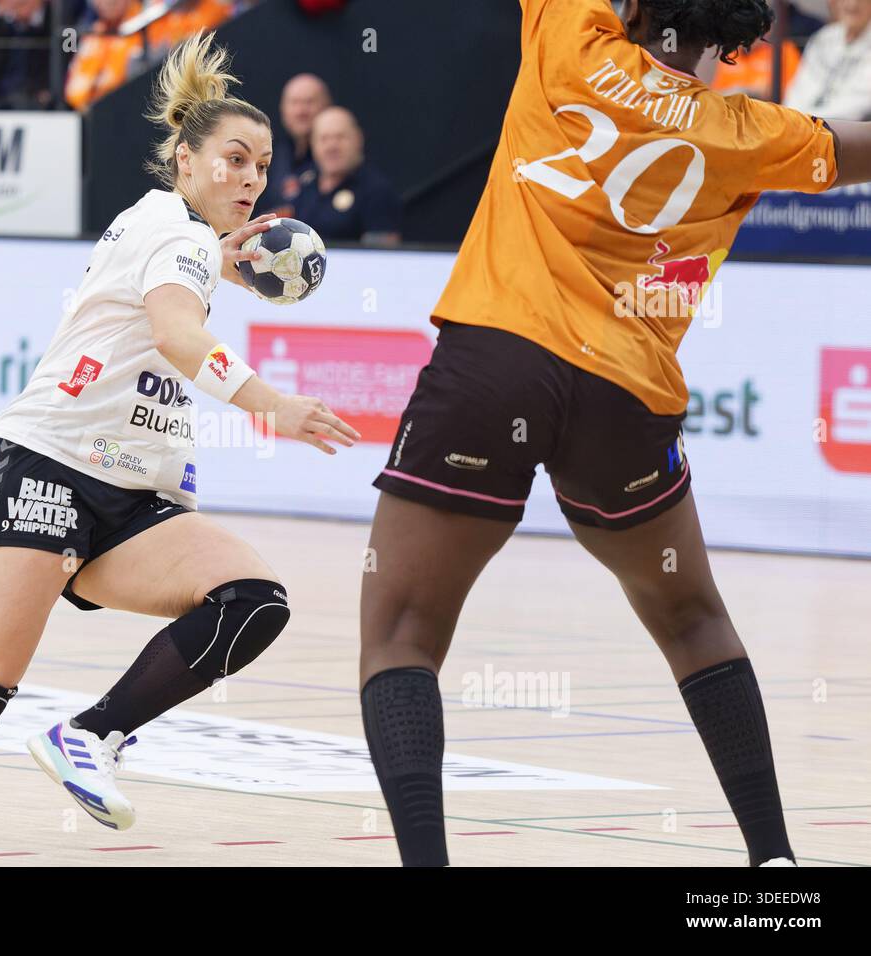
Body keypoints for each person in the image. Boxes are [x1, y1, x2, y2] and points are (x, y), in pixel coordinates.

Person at [0, 32, 359, 847]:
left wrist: (216, 258)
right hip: (43, 465)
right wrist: (268, 403)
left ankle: (92, 734)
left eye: (261, 165)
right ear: (184, 158)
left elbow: (177, 291)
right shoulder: (176, 235)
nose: (250, 179)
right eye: (233, 160)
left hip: (134, 496)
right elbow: (177, 335)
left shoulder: (180, 236)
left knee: (252, 602)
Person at [360, 0, 871, 867]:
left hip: (498, 359)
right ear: (742, 40)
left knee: (401, 632)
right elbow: (856, 147)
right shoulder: (754, 131)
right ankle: (774, 866)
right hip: (625, 397)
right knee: (694, 620)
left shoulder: (568, 34)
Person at [293, 105, 402, 245]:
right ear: (313, 145)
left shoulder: (377, 191)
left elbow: (380, 256)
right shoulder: (306, 185)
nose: (331, 146)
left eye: (340, 137)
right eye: (324, 139)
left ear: (358, 139)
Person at [256, 73, 331, 216]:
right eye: (294, 103)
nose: (301, 111)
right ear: (283, 109)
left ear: (326, 106)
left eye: (309, 102)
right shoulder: (271, 154)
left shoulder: (335, 156)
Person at [785, 0, 871, 120]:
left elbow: (859, 105)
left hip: (844, 132)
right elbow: (798, 92)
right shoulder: (823, 38)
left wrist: (810, 123)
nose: (852, 4)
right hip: (804, 127)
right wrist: (795, 122)